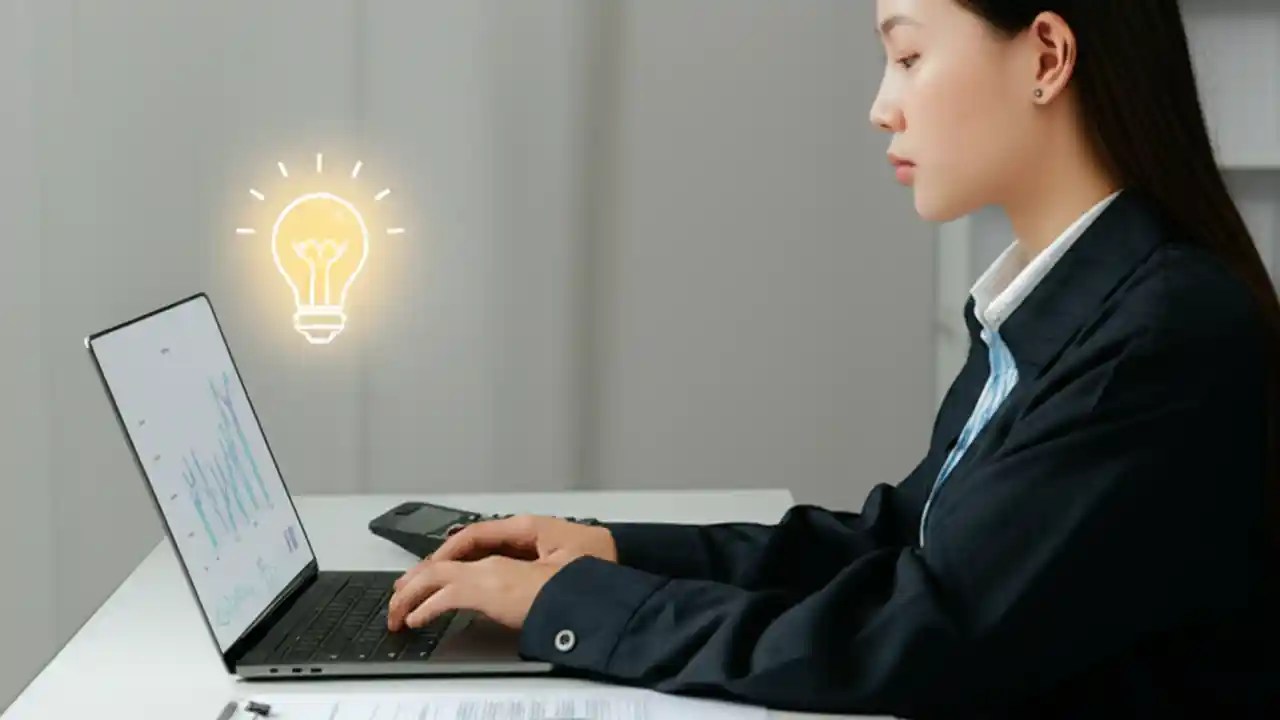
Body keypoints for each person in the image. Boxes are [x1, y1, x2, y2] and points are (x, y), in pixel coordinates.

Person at [387, 1, 1280, 716]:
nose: (881, 104)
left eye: (909, 56)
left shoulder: (1161, 332)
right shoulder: (1068, 304)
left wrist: (573, 607)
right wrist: (611, 552)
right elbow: (897, 544)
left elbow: (920, 634)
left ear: (1046, 56)